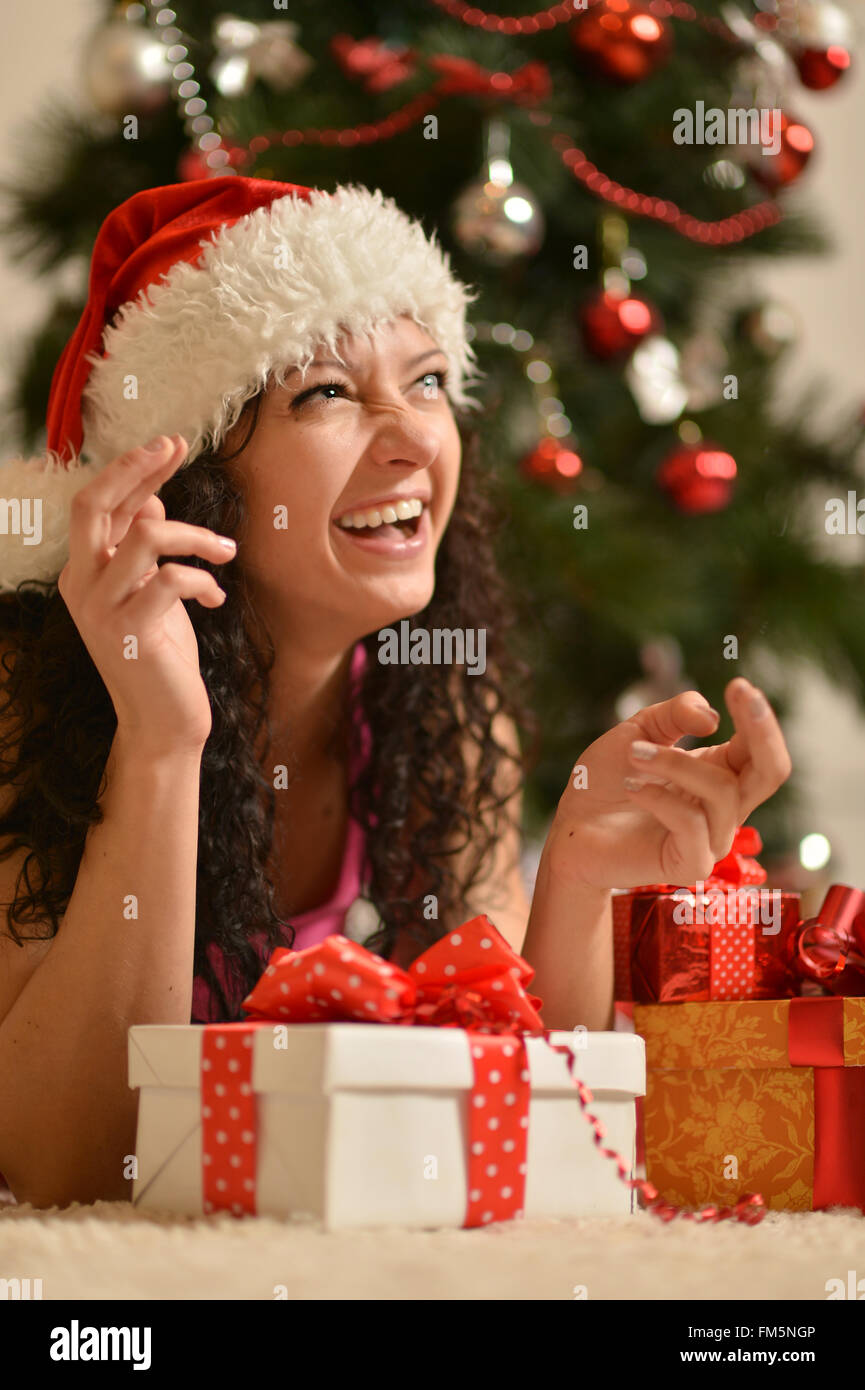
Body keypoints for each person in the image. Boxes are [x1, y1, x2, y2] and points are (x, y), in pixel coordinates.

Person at [0, 177, 790, 1209]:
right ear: (182, 477)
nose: (414, 437)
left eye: (425, 382)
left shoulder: (443, 724)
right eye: (325, 392)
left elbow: (500, 1136)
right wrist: (161, 741)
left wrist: (579, 883)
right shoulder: (26, 698)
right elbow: (67, 1171)